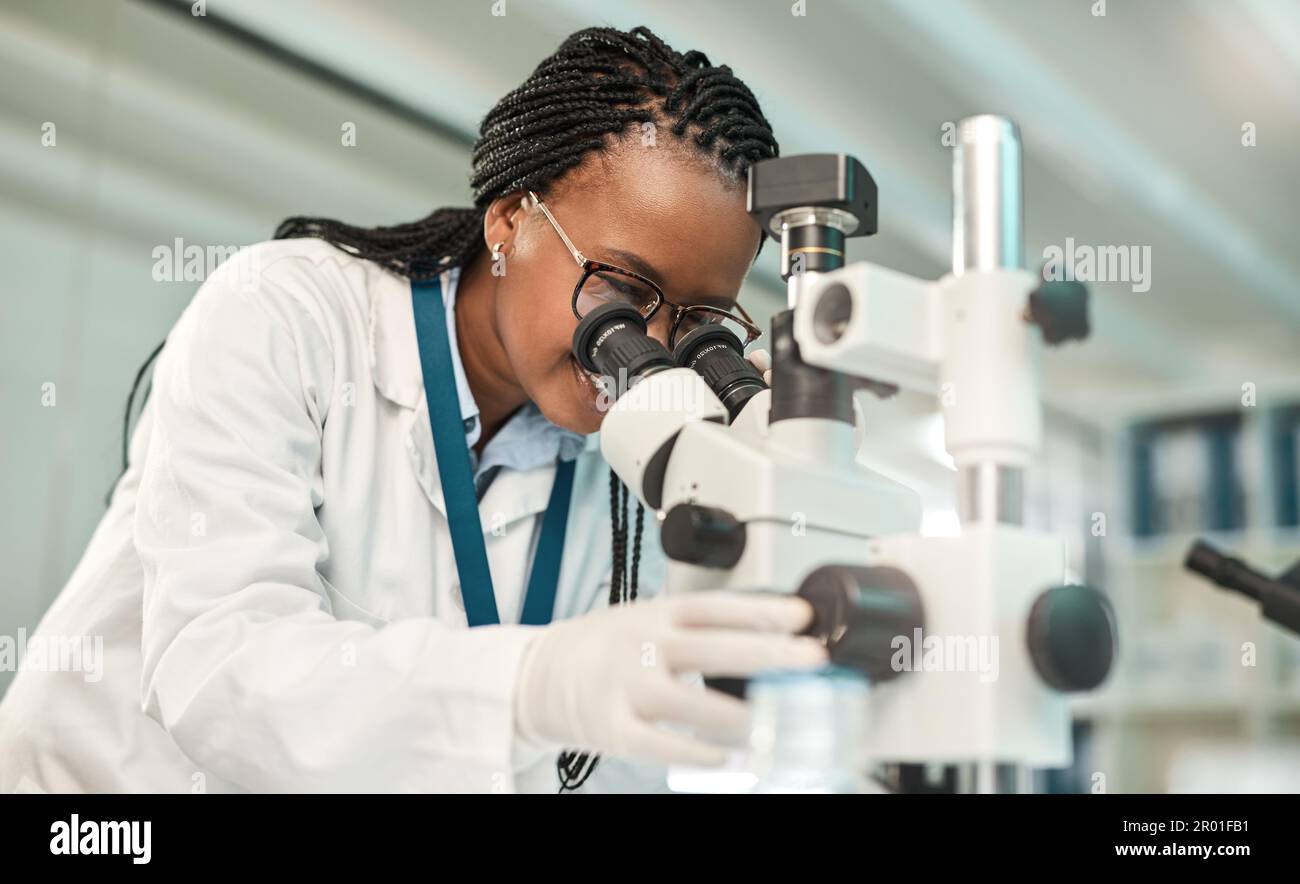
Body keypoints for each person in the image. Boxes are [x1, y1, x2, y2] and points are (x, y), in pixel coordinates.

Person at [0, 25, 825, 794]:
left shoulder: (632, 456)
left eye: (694, 323)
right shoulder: (288, 313)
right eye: (618, 286)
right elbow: (221, 673)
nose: (645, 346)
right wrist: (533, 686)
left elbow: (608, 753)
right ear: (509, 218)